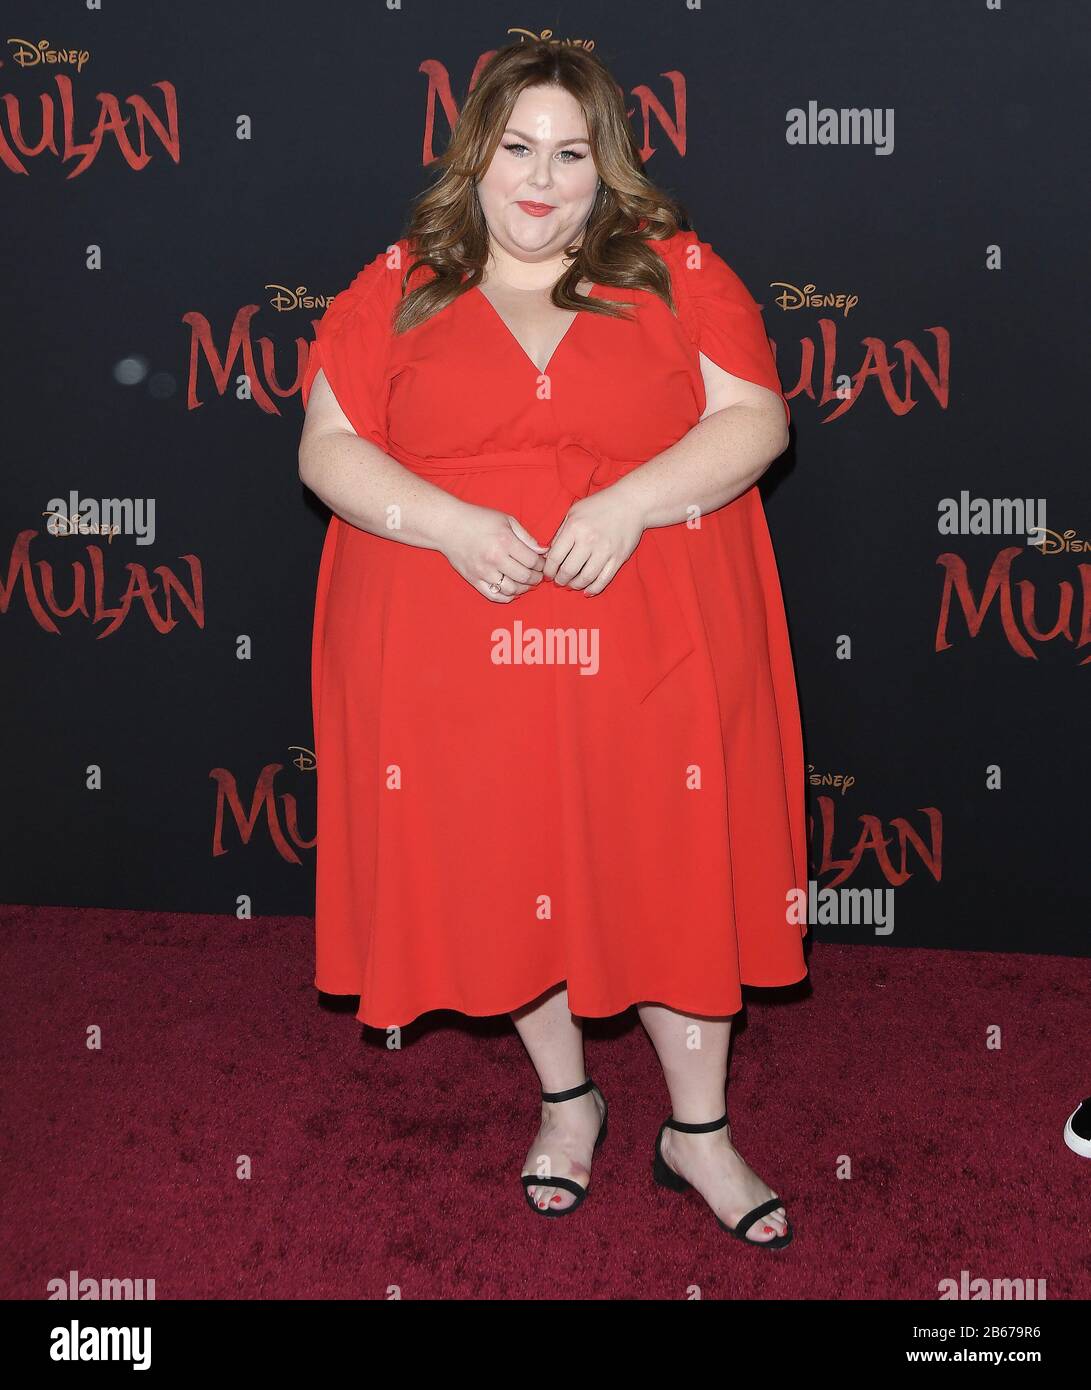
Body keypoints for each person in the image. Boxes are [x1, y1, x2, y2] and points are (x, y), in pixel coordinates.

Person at [298, 40, 807, 1247]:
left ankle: (698, 1130)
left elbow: (754, 422)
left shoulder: (678, 272)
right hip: (456, 660)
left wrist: (627, 501)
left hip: (657, 656)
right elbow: (327, 450)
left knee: (674, 868)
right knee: (506, 865)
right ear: (471, 158)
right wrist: (452, 522)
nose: (539, 180)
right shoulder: (397, 283)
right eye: (514, 149)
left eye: (568, 154)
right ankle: (566, 1099)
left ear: (605, 166)